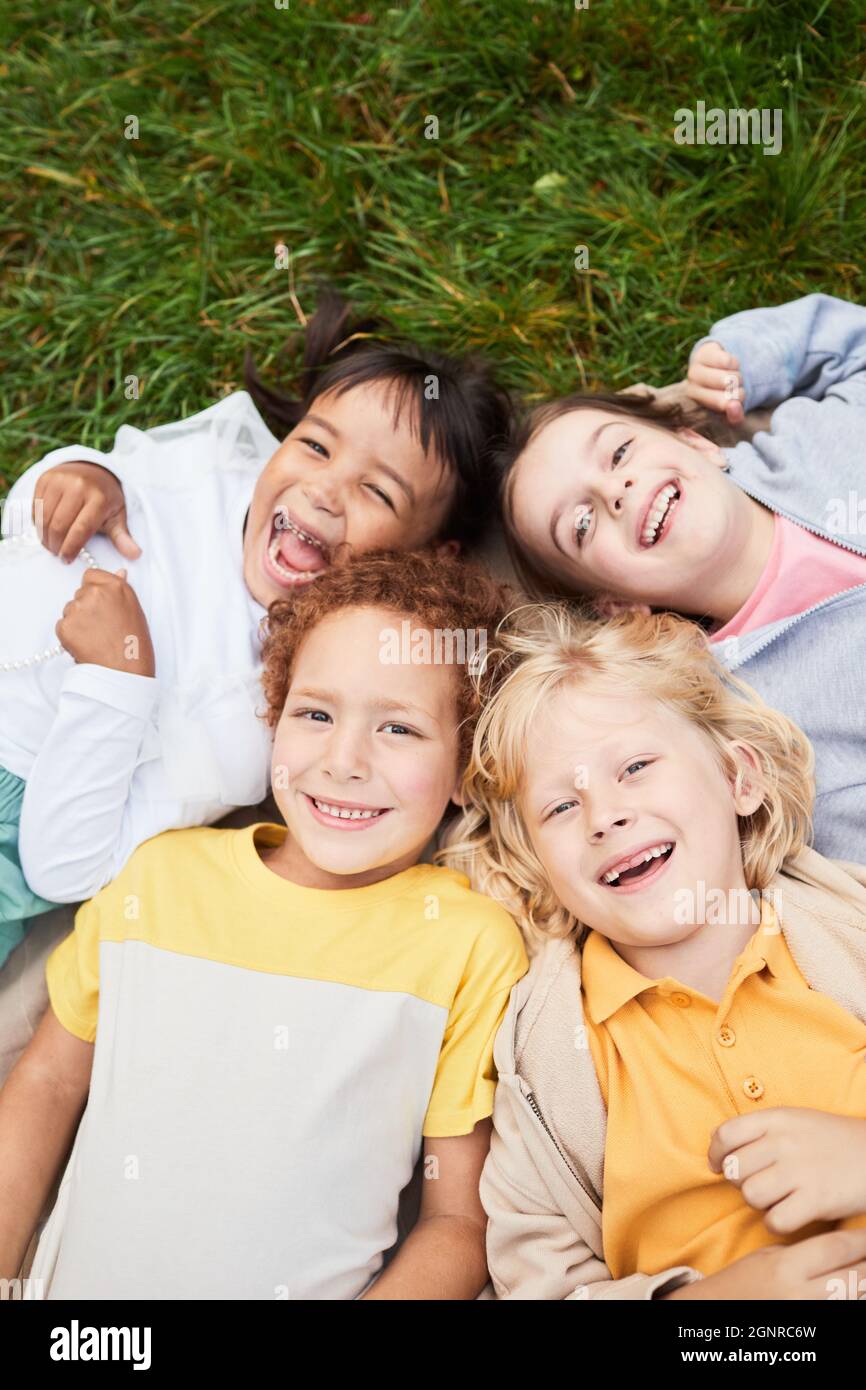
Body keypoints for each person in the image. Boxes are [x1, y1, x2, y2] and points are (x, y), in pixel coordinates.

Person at [0, 550, 527, 1300]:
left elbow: (456, 1224)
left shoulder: (467, 943)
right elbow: (48, 1080)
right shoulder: (163, 876)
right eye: (315, 714)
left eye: (399, 730)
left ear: (468, 764)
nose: (343, 760)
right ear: (273, 719)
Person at [0, 291, 512, 969]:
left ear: (425, 557)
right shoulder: (210, 469)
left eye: (378, 492)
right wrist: (82, 475)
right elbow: (32, 523)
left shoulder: (263, 712)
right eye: (316, 446)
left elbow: (64, 868)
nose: (326, 490)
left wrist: (115, 680)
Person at [441, 602, 866, 1300]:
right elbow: (537, 1286)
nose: (605, 816)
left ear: (740, 779)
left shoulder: (849, 933)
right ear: (538, 865)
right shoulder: (545, 1063)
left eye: (635, 766)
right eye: (561, 808)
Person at [499, 293, 866, 860]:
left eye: (620, 453)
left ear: (696, 441)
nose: (613, 491)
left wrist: (739, 356)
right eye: (581, 523)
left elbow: (850, 343)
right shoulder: (751, 709)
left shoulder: (816, 436)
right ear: (616, 604)